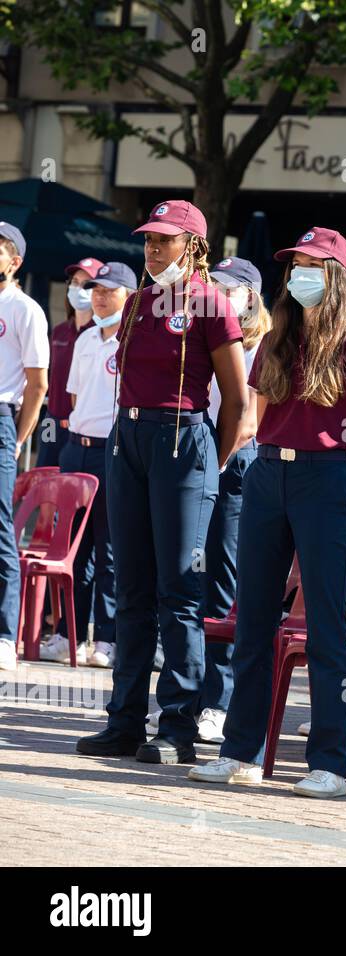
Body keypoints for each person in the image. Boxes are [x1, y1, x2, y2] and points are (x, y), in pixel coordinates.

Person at [190, 226, 346, 798]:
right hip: (267, 474)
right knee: (253, 617)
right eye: (295, 263)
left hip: (325, 476)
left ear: (335, 276)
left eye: (311, 264)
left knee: (327, 626)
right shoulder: (277, 335)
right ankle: (241, 752)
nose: (299, 273)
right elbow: (253, 410)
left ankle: (328, 760)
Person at [74, 200, 250, 759]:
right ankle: (124, 720)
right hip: (127, 440)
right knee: (130, 587)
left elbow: (238, 400)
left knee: (179, 591)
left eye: (164, 241)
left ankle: (177, 726)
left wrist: (208, 465)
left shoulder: (210, 303)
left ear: (192, 246)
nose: (152, 250)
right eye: (148, 241)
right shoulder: (140, 301)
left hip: (182, 439)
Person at [190, 256, 271, 744]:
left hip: (236, 464)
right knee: (187, 582)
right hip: (203, 458)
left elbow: (248, 419)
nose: (217, 293)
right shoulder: (204, 334)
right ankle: (186, 695)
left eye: (228, 287)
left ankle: (217, 702)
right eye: (211, 285)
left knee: (222, 583)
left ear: (250, 295)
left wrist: (215, 463)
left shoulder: (262, 345)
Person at [48, 262, 135, 670]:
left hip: (112, 451)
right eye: (95, 290)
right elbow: (76, 398)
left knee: (109, 549)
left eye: (108, 291)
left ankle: (105, 639)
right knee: (73, 549)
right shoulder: (84, 339)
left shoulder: (132, 339)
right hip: (76, 449)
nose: (98, 297)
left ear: (129, 296)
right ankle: (68, 634)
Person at [0, 222, 50, 673]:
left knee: (1, 529)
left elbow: (38, 384)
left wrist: (17, 439)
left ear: (15, 262)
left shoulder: (25, 309)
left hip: (1, 416)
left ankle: (3, 634)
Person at [41, 257, 103, 467]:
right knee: (45, 476)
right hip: (51, 421)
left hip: (82, 428)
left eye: (86, 284)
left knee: (75, 485)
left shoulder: (102, 334)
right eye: (75, 282)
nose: (78, 288)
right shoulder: (59, 331)